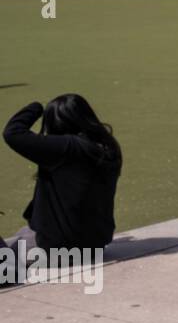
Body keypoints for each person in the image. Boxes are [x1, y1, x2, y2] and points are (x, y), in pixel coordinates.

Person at [3, 96, 121, 260]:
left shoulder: (66, 148)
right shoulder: (108, 147)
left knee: (9, 251)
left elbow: (12, 133)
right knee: (23, 234)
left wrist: (36, 107)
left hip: (58, 248)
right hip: (96, 245)